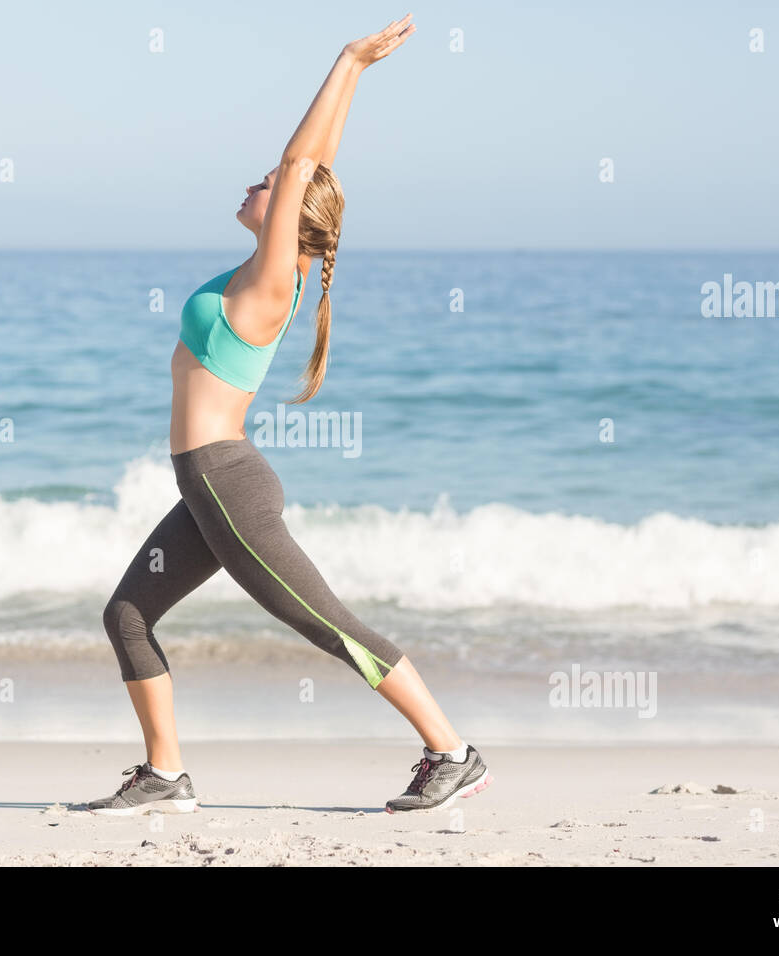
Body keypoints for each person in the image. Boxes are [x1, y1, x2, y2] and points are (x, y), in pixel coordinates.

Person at [90, 13, 491, 816]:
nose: (255, 181)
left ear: (294, 219)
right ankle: (165, 775)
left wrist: (349, 62)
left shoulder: (277, 280)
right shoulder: (264, 268)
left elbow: (303, 161)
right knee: (128, 614)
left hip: (228, 486)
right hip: (204, 489)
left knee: (327, 625)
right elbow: (312, 165)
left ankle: (452, 751)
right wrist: (356, 82)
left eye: (267, 186)